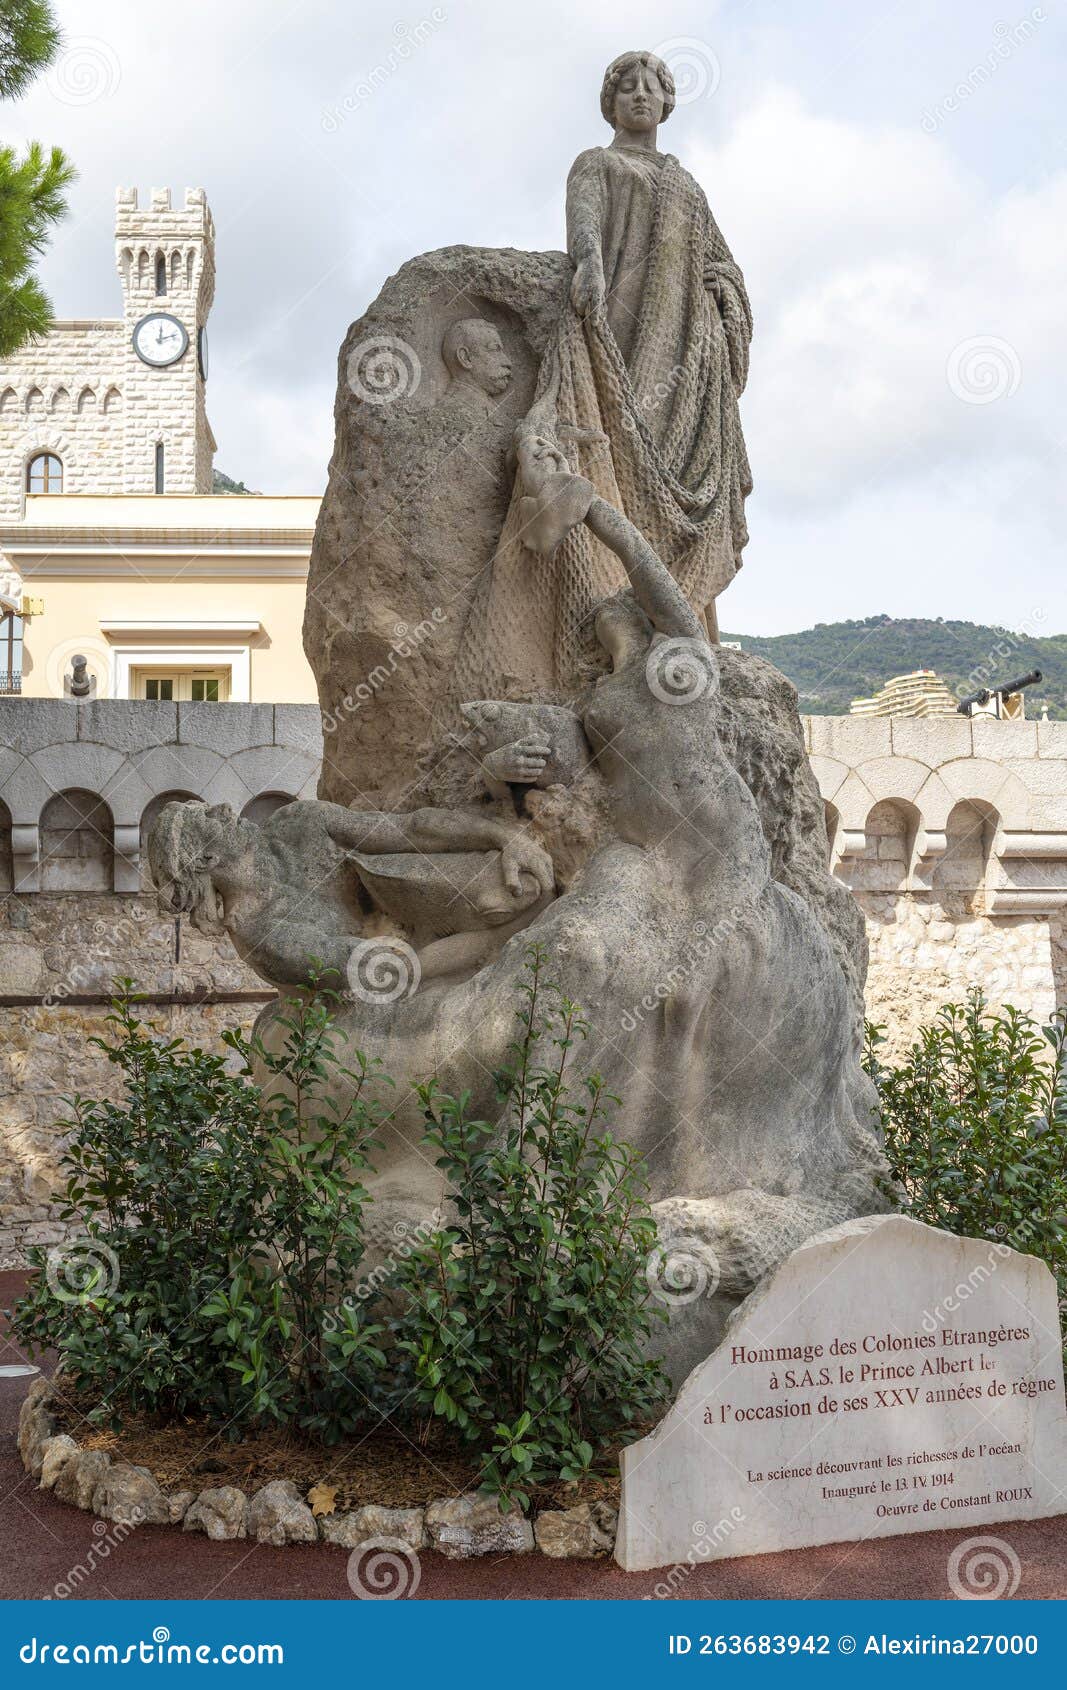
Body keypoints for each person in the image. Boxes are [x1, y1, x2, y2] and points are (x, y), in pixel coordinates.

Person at [450, 48, 753, 704]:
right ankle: (610, 625)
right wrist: (587, 266)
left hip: (686, 359)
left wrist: (719, 298)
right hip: (617, 345)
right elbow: (583, 237)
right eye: (627, 87)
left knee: (677, 494)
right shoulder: (596, 164)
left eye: (652, 88)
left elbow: (722, 263)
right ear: (610, 101)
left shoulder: (685, 185)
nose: (639, 97)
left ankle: (680, 622)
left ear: (667, 102)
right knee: (618, 468)